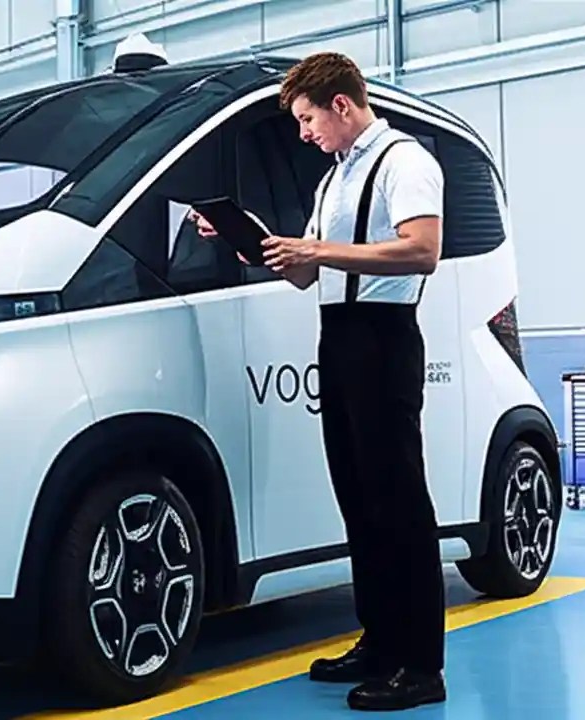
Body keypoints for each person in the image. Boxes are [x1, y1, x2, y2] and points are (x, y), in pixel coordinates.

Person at [189, 52, 447, 712]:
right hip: (338, 334)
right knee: (358, 496)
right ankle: (380, 638)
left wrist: (316, 250)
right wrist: (245, 240)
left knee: (398, 499)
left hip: (384, 337)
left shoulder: (403, 161)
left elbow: (423, 249)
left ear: (341, 105)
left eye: (308, 120)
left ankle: (419, 665)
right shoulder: (334, 180)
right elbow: (304, 274)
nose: (304, 133)